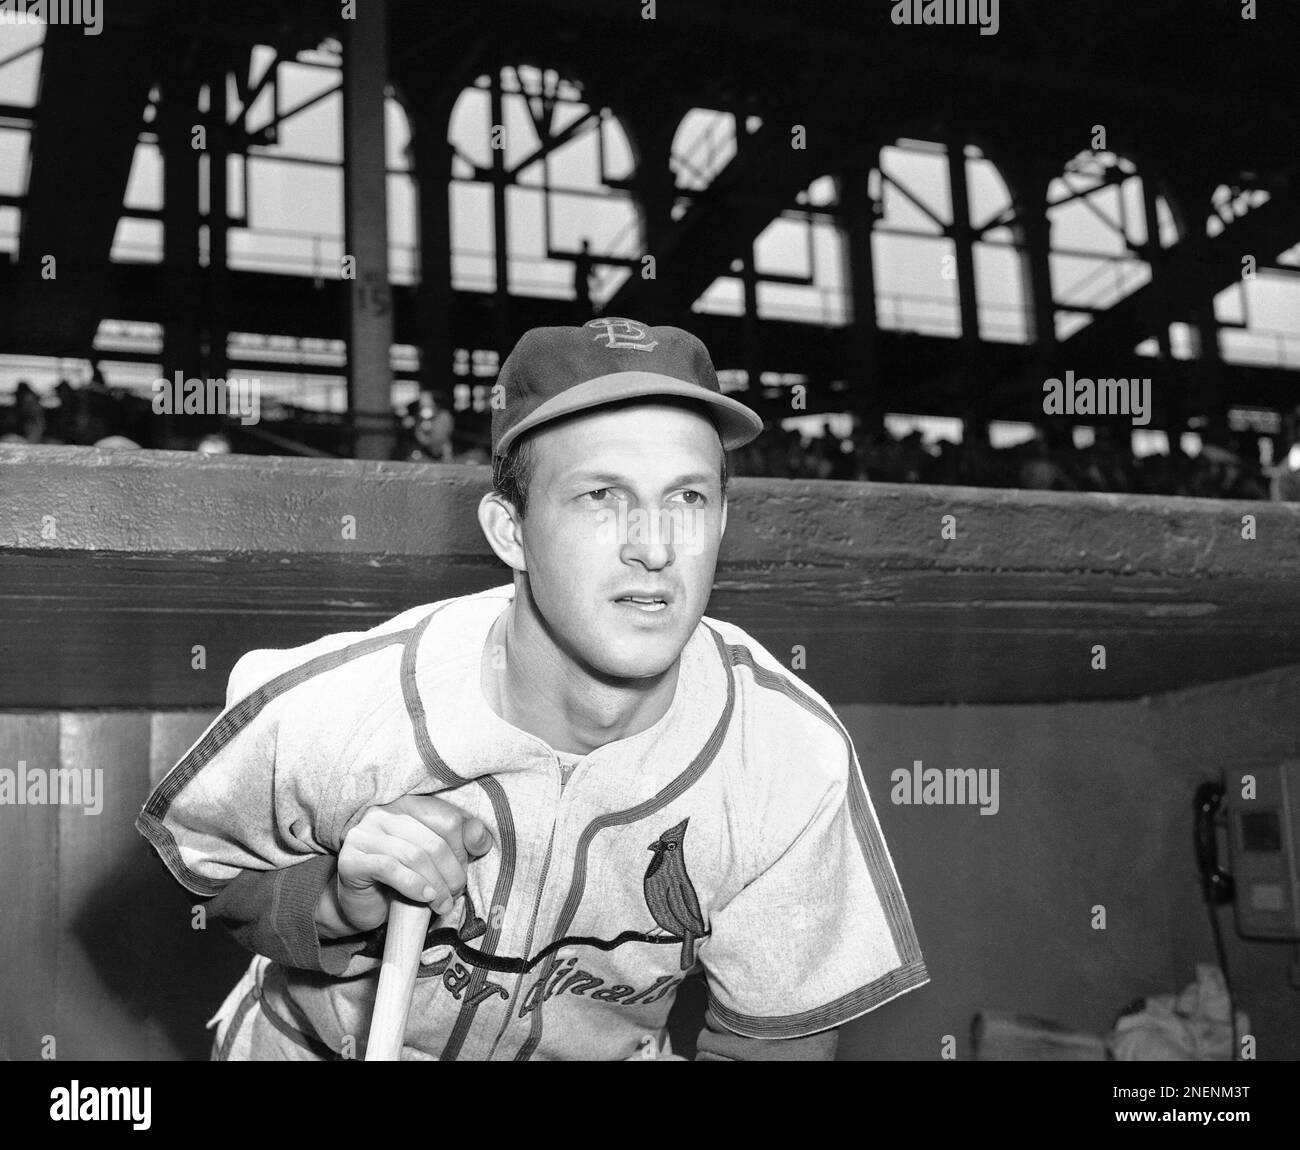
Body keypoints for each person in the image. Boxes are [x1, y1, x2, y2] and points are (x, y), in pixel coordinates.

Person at [137, 317, 928, 1061]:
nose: (654, 547)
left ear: (721, 522)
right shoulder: (347, 704)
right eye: (600, 497)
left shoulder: (787, 758)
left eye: (687, 498)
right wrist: (343, 903)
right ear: (509, 531)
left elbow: (773, 1046)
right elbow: (219, 879)